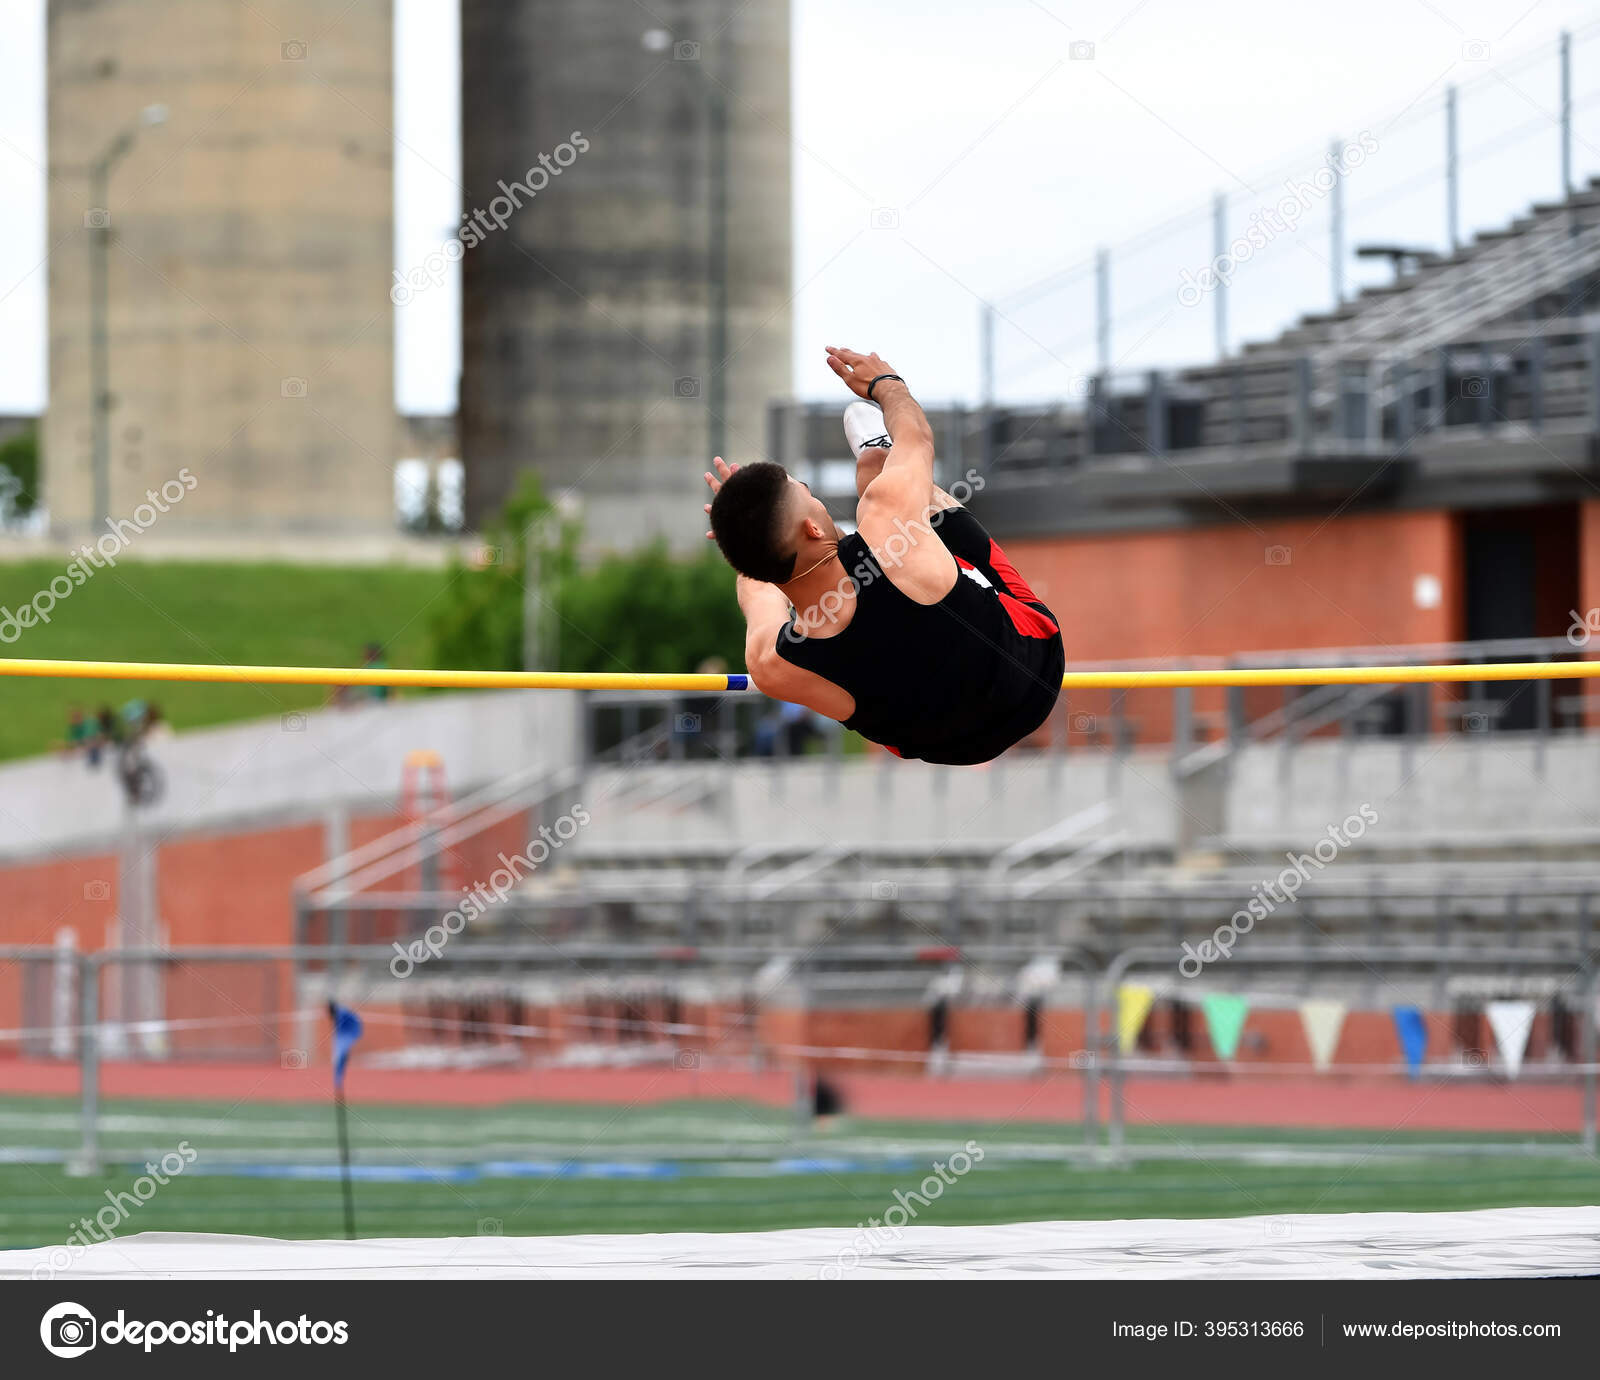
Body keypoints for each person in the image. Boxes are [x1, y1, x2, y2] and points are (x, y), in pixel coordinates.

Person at [704, 347, 1063, 765]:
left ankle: (875, 463)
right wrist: (888, 386)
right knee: (896, 492)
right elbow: (918, 439)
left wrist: (742, 527)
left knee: (876, 532)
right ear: (813, 527)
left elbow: (755, 582)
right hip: (1036, 674)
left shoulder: (769, 660)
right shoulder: (889, 524)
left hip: (952, 748)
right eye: (804, 489)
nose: (809, 491)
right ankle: (878, 456)